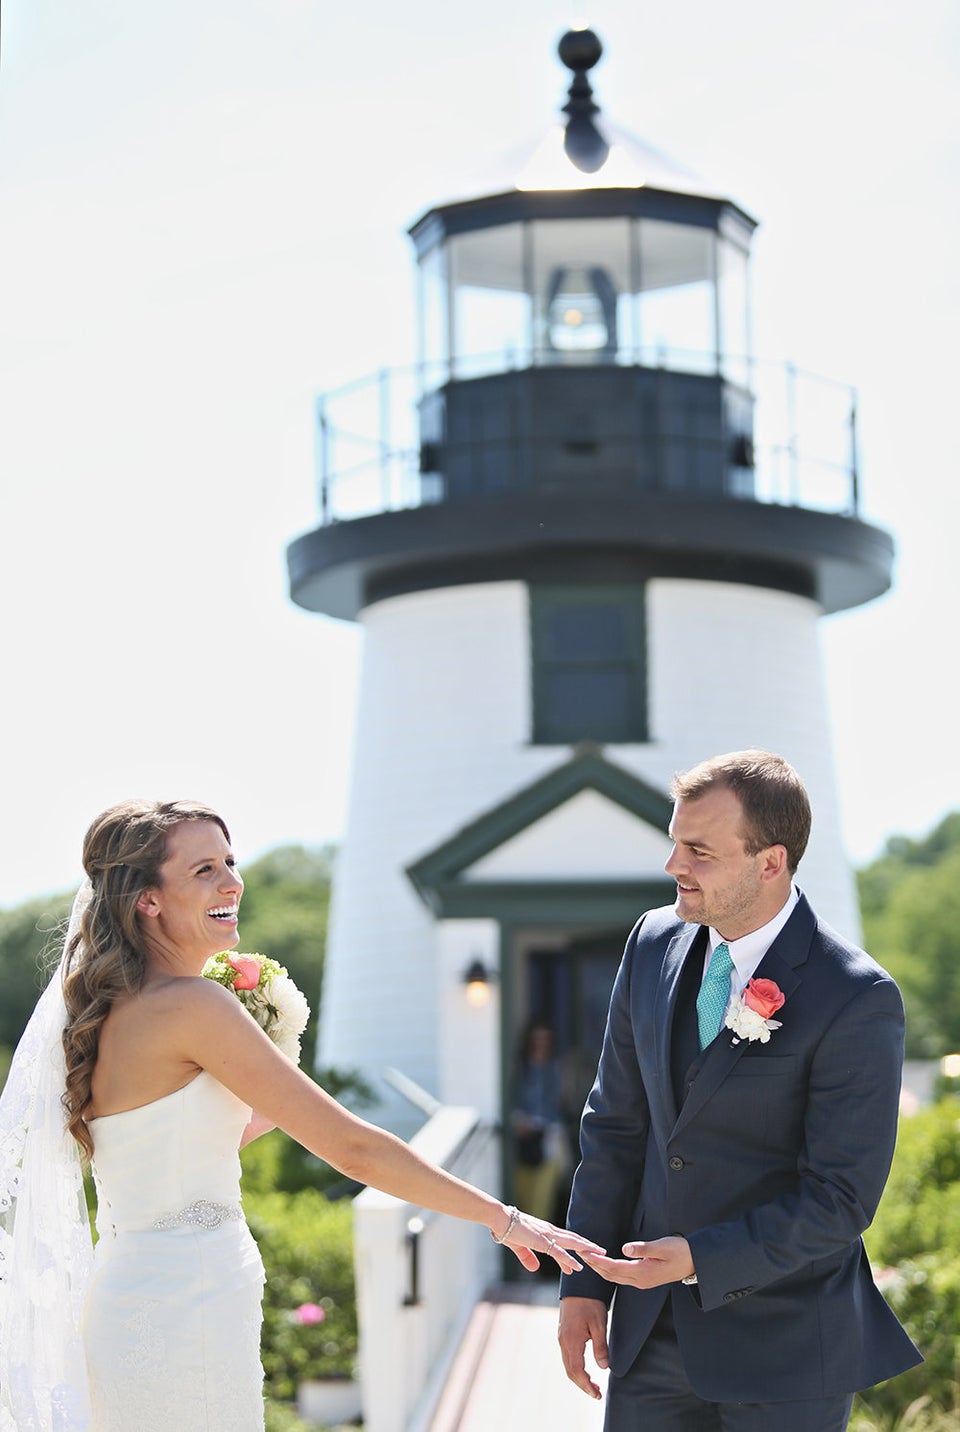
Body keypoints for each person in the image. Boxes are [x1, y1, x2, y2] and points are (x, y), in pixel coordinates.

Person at [0, 800, 602, 1432]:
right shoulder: (193, 1005)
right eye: (204, 870)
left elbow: (192, 1148)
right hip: (186, 1306)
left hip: (134, 1296)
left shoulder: (110, 1013)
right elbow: (354, 1149)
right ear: (147, 899)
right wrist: (503, 1219)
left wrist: (273, 1064)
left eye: (230, 862)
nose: (232, 882)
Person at [557, 750, 922, 1431]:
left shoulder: (857, 996)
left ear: (771, 862)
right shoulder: (650, 943)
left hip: (787, 1353)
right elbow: (614, 1127)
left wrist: (699, 1258)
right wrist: (583, 1283)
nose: (674, 865)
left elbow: (840, 1197)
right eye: (675, 842)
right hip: (649, 1341)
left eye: (699, 851)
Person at [511, 1019, 569, 1223]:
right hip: (523, 1145)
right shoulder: (520, 1069)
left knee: (541, 1205)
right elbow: (512, 1102)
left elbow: (562, 1105)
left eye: (545, 1039)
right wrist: (519, 1121)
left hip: (548, 1144)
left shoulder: (557, 1069)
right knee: (521, 1203)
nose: (540, 1044)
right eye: (536, 1039)